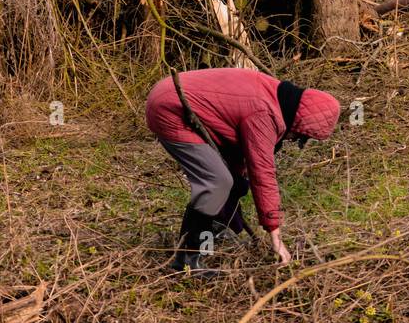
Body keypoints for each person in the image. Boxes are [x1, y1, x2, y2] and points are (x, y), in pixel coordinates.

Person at [146, 67, 341, 274]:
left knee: (234, 181)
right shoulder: (265, 114)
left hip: (174, 97)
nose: (293, 140)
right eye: (299, 136)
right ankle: (187, 262)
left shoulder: (276, 96)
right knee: (216, 183)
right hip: (171, 108)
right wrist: (275, 236)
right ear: (297, 123)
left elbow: (239, 159)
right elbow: (262, 175)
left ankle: (215, 230)